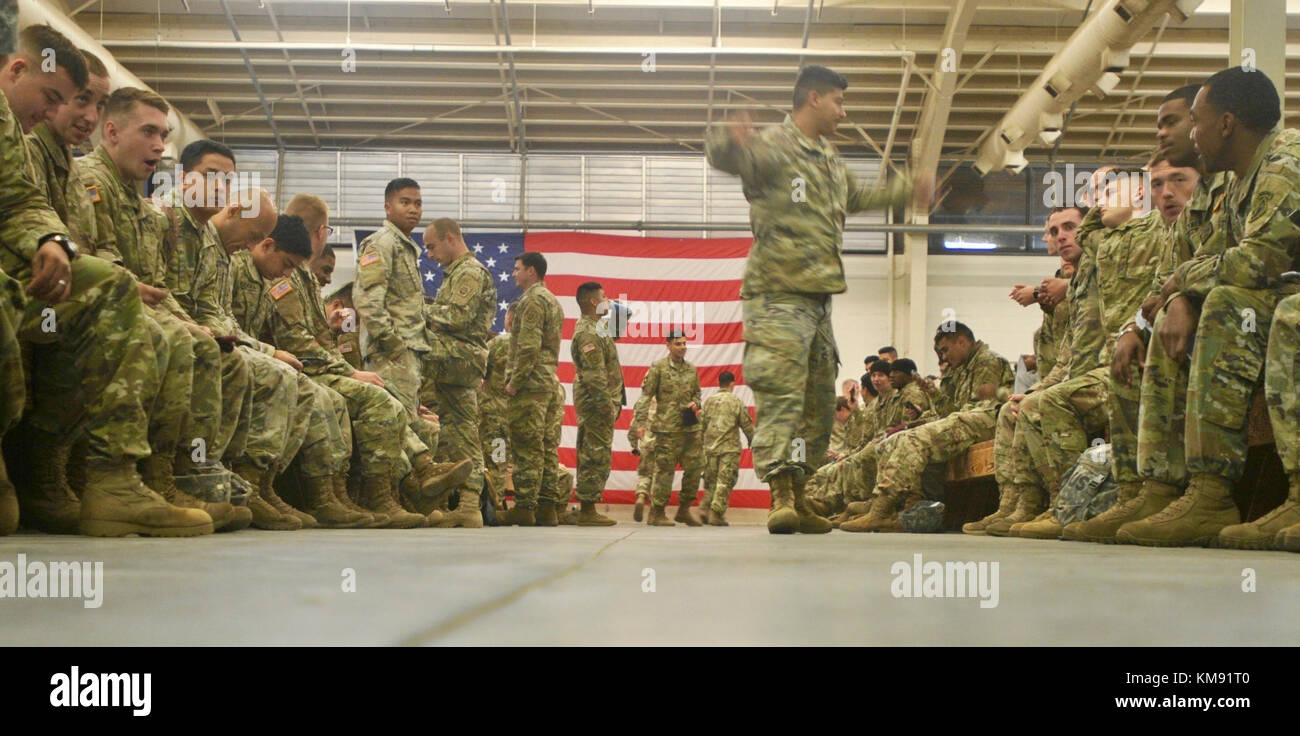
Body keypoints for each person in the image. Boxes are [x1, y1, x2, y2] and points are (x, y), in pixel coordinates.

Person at [0, 24, 209, 537]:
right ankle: (37, 467)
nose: (63, 114)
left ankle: (112, 478)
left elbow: (18, 200)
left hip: (23, 269)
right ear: (17, 69)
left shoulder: (12, 127)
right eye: (57, 99)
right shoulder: (82, 170)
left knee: (113, 293)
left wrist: (51, 240)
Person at [705, 63, 926, 534]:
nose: (843, 113)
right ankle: (780, 496)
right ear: (813, 99)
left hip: (820, 301)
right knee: (781, 394)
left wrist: (909, 189)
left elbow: (858, 197)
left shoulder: (828, 159)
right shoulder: (772, 146)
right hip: (778, 294)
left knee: (816, 406)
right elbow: (729, 160)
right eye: (839, 102)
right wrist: (728, 139)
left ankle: (800, 494)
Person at [1118, 68, 1300, 546]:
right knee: (1187, 313)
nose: (1191, 136)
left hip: (1286, 302)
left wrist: (1184, 284)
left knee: (1227, 304)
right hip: (1276, 299)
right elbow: (1208, 262)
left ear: (1226, 122)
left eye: (1195, 122)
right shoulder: (1240, 182)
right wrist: (1178, 294)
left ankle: (1219, 491)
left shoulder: (1284, 164)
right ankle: (1169, 486)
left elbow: (1263, 258)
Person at [1066, 85, 1231, 543]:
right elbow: (1160, 285)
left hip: (1232, 316)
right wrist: (1134, 324)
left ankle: (1203, 491)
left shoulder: (1226, 194)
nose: (1167, 192)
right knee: (1129, 347)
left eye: (1177, 180)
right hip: (1184, 324)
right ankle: (1142, 491)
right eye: (1157, 184)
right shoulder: (1194, 212)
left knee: (1200, 316)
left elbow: (1243, 262)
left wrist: (1178, 297)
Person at [78, 86, 245, 532]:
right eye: (148, 132)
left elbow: (159, 287)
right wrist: (182, 322)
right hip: (83, 308)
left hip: (122, 305)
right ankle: (112, 479)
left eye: (164, 134)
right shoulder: (92, 182)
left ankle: (168, 477)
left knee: (200, 343)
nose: (159, 145)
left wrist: (192, 325)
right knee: (171, 337)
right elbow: (107, 267)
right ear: (110, 131)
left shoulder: (143, 208)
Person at [967, 210, 1081, 535]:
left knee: (1031, 405)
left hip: (1090, 377)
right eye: (1053, 231)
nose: (1060, 237)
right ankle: (1018, 503)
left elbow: (1074, 359)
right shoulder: (1053, 314)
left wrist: (1035, 392)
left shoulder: (1092, 285)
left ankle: (1061, 503)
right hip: (1065, 380)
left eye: (1070, 228)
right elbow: (1060, 361)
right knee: (1011, 410)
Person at [843, 322, 1013, 533]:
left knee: (913, 440)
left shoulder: (987, 362)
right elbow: (953, 409)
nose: (943, 357)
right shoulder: (961, 368)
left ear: (961, 341)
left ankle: (881, 510)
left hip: (986, 421)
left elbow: (980, 407)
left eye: (945, 350)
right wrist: (934, 396)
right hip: (969, 419)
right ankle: (904, 507)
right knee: (895, 440)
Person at [421, 217, 498, 528]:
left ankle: (466, 503)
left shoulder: (469, 271)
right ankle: (462, 503)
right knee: (455, 431)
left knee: (406, 351)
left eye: (431, 246)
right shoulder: (456, 272)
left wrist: (414, 310)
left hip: (458, 357)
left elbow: (457, 316)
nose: (429, 253)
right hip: (455, 359)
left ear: (450, 238)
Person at [497, 252, 565, 526]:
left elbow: (528, 346)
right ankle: (547, 508)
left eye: (517, 269)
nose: (514, 274)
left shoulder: (533, 300)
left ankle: (524, 507)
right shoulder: (552, 300)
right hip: (546, 383)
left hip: (530, 384)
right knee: (547, 447)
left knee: (526, 446)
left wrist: (515, 382)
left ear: (532, 272)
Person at [633, 329, 704, 526]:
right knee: (665, 472)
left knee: (696, 468)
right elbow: (646, 396)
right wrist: (640, 423)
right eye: (678, 344)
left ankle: (684, 509)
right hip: (666, 429)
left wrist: (696, 404)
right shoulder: (658, 368)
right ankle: (657, 513)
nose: (682, 347)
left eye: (684, 343)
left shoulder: (691, 369)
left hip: (689, 429)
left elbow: (698, 394)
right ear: (668, 345)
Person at [569, 281, 620, 526]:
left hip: (598, 402)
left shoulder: (598, 328)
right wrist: (606, 406)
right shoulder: (589, 332)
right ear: (592, 302)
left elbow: (617, 331)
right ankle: (587, 509)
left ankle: (588, 506)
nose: (608, 300)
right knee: (593, 453)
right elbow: (594, 375)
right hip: (596, 403)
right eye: (604, 297)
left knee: (595, 451)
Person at [699, 370, 754, 525]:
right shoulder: (736, 401)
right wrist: (753, 441)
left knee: (711, 481)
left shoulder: (709, 401)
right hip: (729, 449)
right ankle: (716, 514)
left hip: (710, 448)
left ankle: (704, 508)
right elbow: (747, 425)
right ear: (732, 384)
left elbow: (700, 426)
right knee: (725, 481)